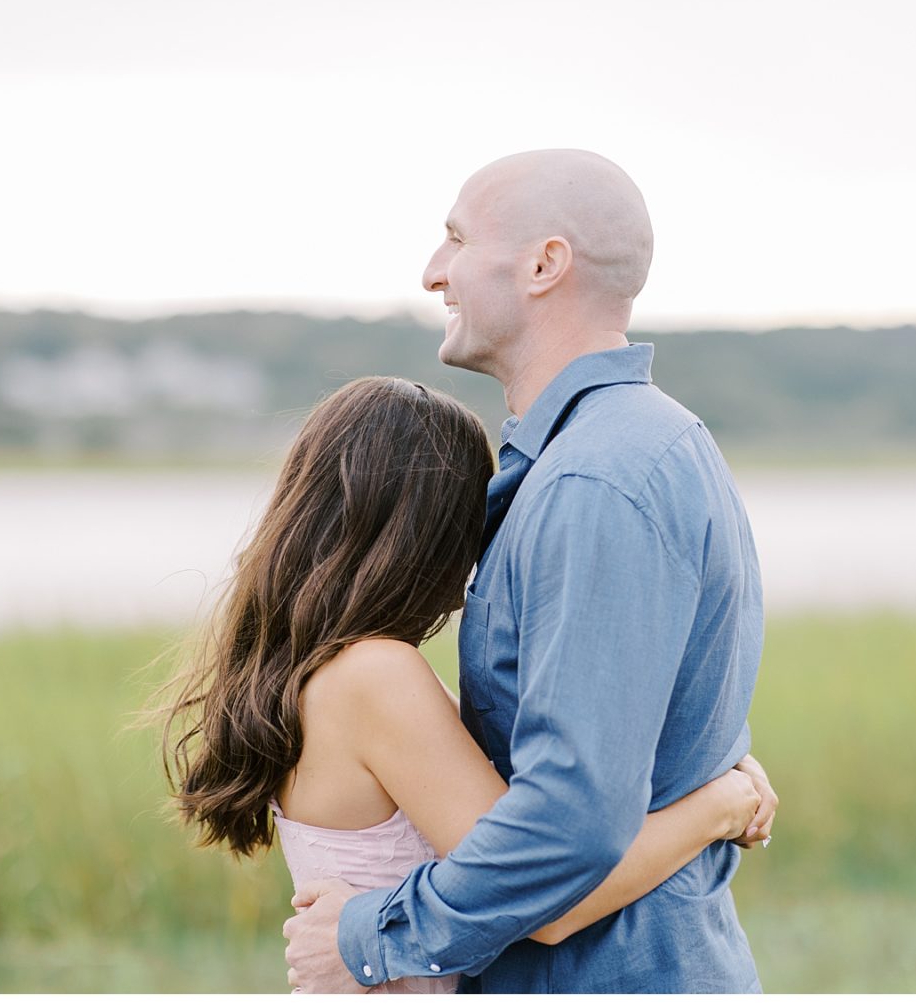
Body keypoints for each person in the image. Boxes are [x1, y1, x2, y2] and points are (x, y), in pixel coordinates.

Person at [283, 150, 772, 993]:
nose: (433, 271)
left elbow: (570, 825)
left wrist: (371, 934)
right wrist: (719, 802)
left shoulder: (596, 481)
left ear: (545, 265)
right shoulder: (604, 458)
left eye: (456, 239)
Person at [151, 375, 772, 993]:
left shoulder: (324, 672)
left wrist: (721, 757)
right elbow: (548, 900)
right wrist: (720, 806)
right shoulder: (375, 676)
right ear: (431, 534)